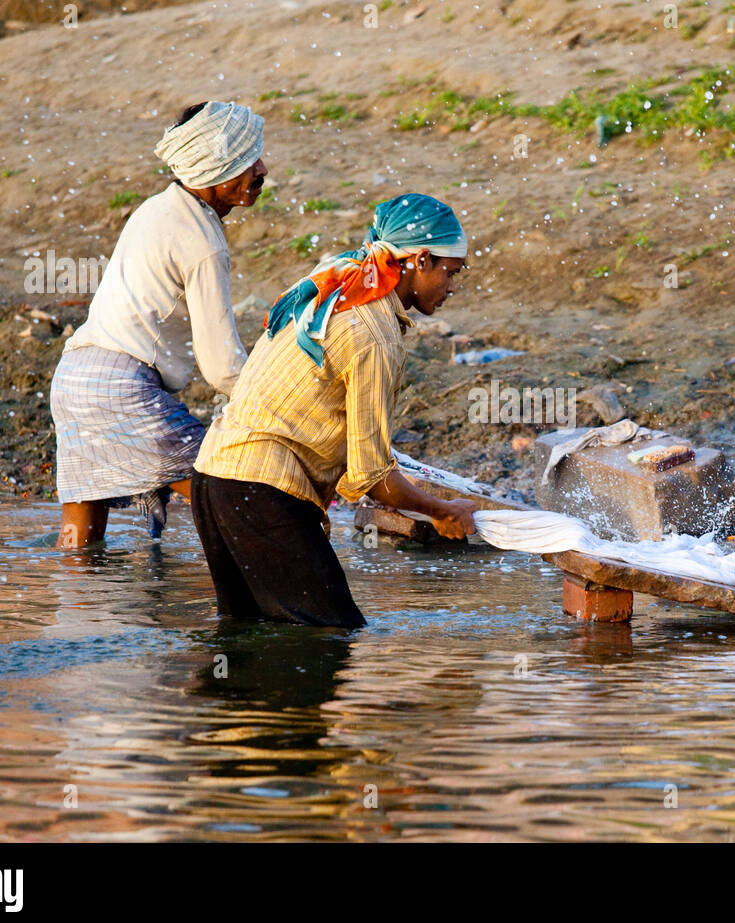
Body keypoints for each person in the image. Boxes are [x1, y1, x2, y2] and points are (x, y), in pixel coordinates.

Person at [191, 193, 478, 627]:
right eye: (450, 272)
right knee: (333, 636)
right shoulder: (375, 333)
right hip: (261, 491)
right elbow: (372, 476)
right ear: (420, 260)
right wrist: (441, 511)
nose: (452, 287)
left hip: (213, 479)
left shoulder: (338, 281)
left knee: (248, 636)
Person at [50, 100, 266, 547]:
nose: (262, 169)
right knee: (226, 492)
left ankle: (78, 612)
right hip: (123, 390)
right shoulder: (204, 243)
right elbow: (222, 366)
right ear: (216, 169)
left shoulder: (155, 209)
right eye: (248, 161)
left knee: (79, 546)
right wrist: (280, 400)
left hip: (74, 378)